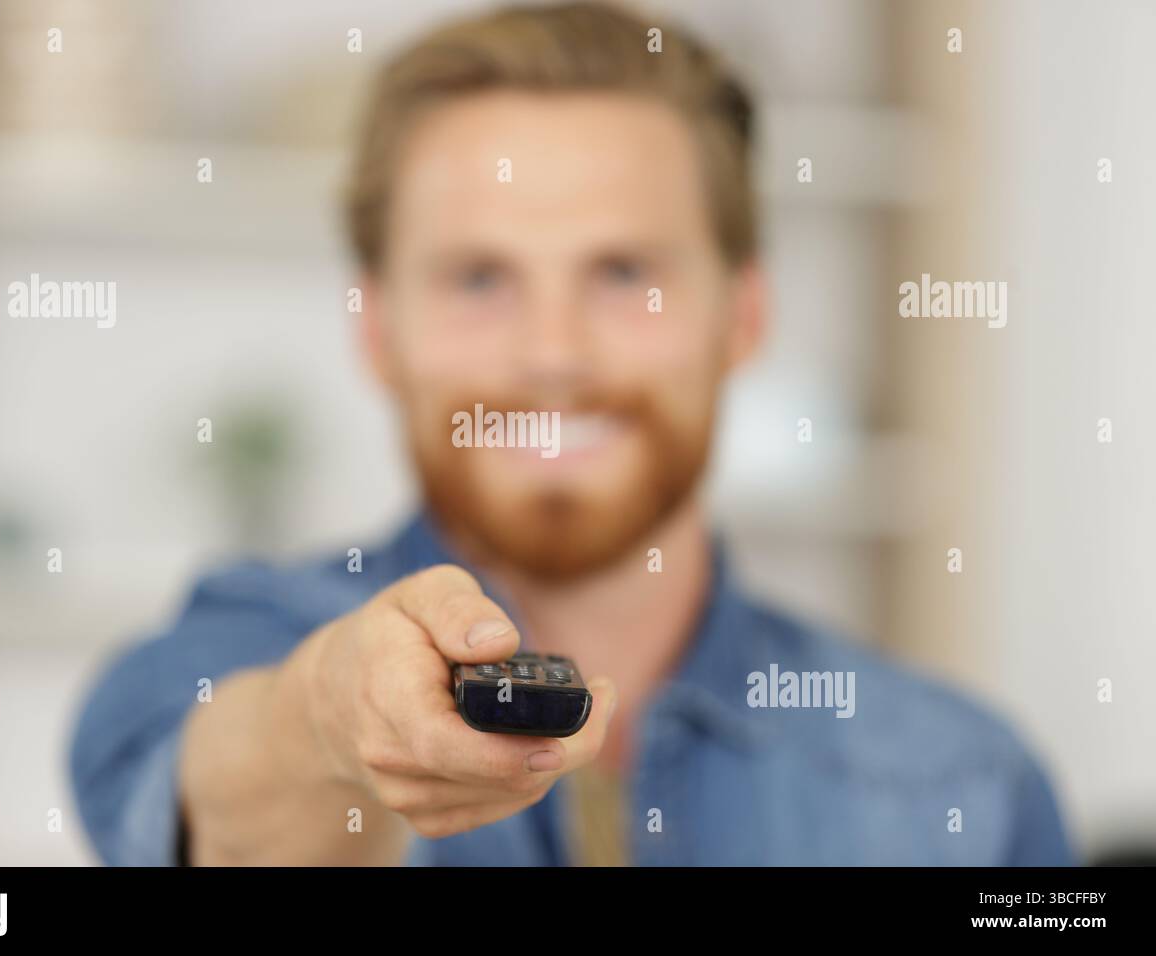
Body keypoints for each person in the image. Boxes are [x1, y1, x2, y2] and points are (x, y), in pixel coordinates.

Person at [69, 1, 1073, 866]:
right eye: (479, 277)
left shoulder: (967, 781)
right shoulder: (222, 650)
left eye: (624, 272)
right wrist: (334, 721)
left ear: (743, 315)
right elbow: (230, 806)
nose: (553, 351)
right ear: (377, 330)